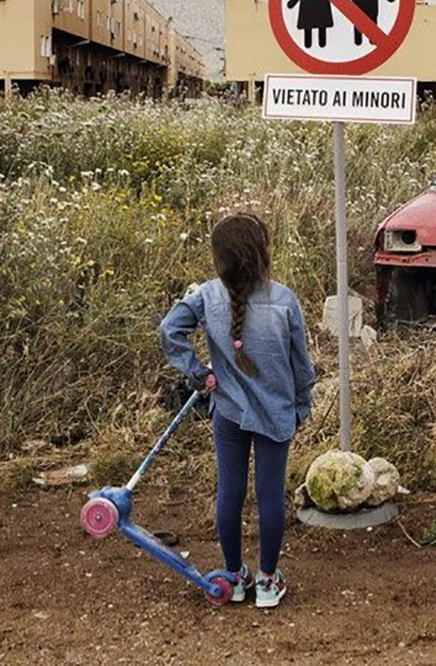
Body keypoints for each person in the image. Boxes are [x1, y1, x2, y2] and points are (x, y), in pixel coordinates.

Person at [160, 213, 317, 608]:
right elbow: (302, 367)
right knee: (269, 495)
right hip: (276, 414)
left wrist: (197, 373)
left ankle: (233, 575)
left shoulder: (206, 297)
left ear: (220, 258)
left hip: (228, 412)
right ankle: (267, 580)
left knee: (229, 492)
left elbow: (169, 330)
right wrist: (301, 406)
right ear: (263, 252)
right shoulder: (284, 301)